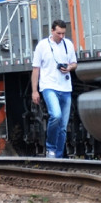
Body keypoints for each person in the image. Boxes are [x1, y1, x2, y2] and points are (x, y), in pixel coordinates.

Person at [31, 20, 77, 158]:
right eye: (58, 33)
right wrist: (35, 90)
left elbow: (74, 63)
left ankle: (58, 155)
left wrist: (69, 67)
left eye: (63, 33)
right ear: (52, 31)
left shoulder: (68, 44)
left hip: (65, 87)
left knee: (63, 125)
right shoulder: (42, 46)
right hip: (49, 86)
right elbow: (36, 69)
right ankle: (50, 148)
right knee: (56, 115)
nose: (61, 36)